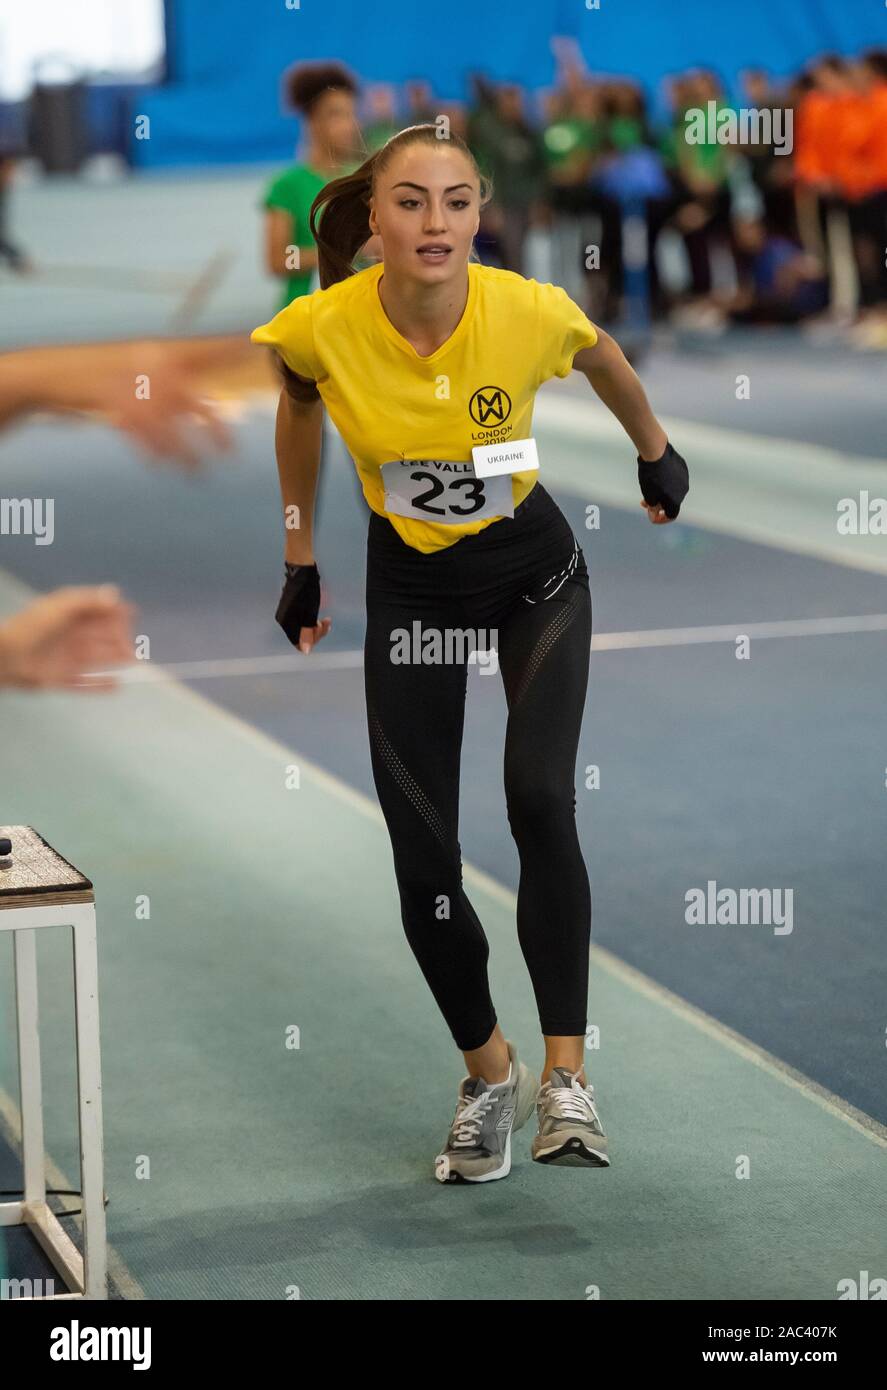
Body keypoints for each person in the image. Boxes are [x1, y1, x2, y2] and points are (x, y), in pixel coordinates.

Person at [251, 124, 689, 1183]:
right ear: (375, 218)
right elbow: (296, 410)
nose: (434, 222)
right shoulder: (321, 327)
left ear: (479, 210)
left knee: (539, 797)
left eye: (453, 201)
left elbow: (602, 355)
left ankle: (565, 1079)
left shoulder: (525, 309)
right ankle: (487, 1073)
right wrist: (300, 554)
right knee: (420, 852)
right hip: (409, 589)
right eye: (408, 202)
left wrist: (656, 450)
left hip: (534, 578)